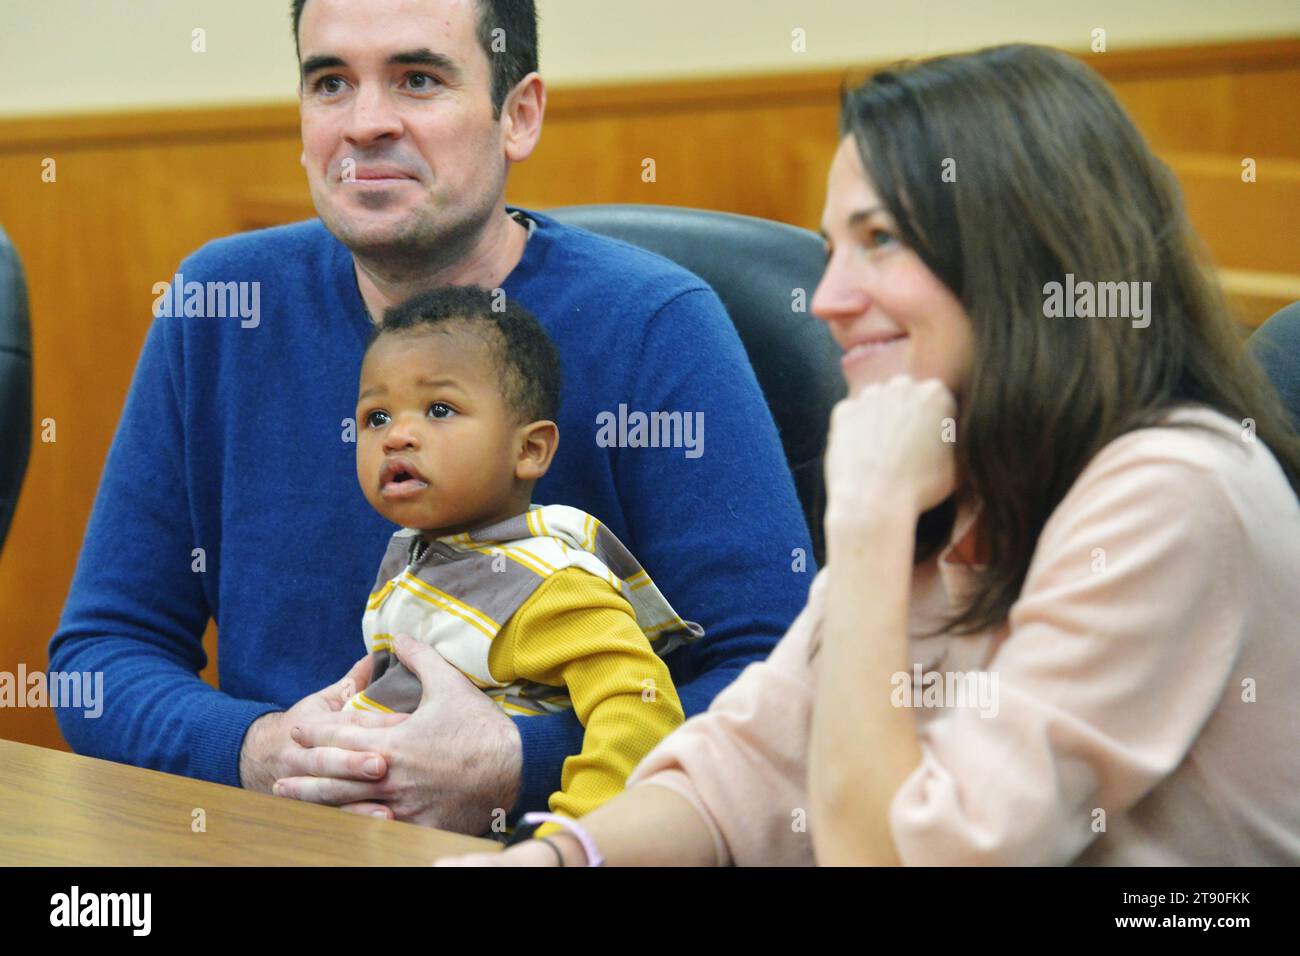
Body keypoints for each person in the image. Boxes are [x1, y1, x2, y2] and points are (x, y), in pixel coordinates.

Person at [437, 43, 1300, 866]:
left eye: (880, 239)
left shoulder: (1171, 492)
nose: (829, 300)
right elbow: (736, 776)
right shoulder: (955, 472)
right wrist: (557, 858)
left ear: (1026, 253)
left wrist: (869, 523)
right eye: (831, 249)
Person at [47, 0, 813, 835]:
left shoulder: (654, 324)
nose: (365, 124)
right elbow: (101, 657)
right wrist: (262, 748)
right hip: (278, 843)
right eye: (331, 83)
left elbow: (777, 680)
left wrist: (517, 761)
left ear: (517, 115)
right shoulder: (221, 304)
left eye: (417, 79)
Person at [344, 285, 699, 838]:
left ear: (529, 450)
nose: (398, 437)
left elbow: (643, 709)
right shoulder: (414, 557)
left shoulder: (548, 583)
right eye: (377, 416)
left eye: (439, 409)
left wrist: (577, 842)